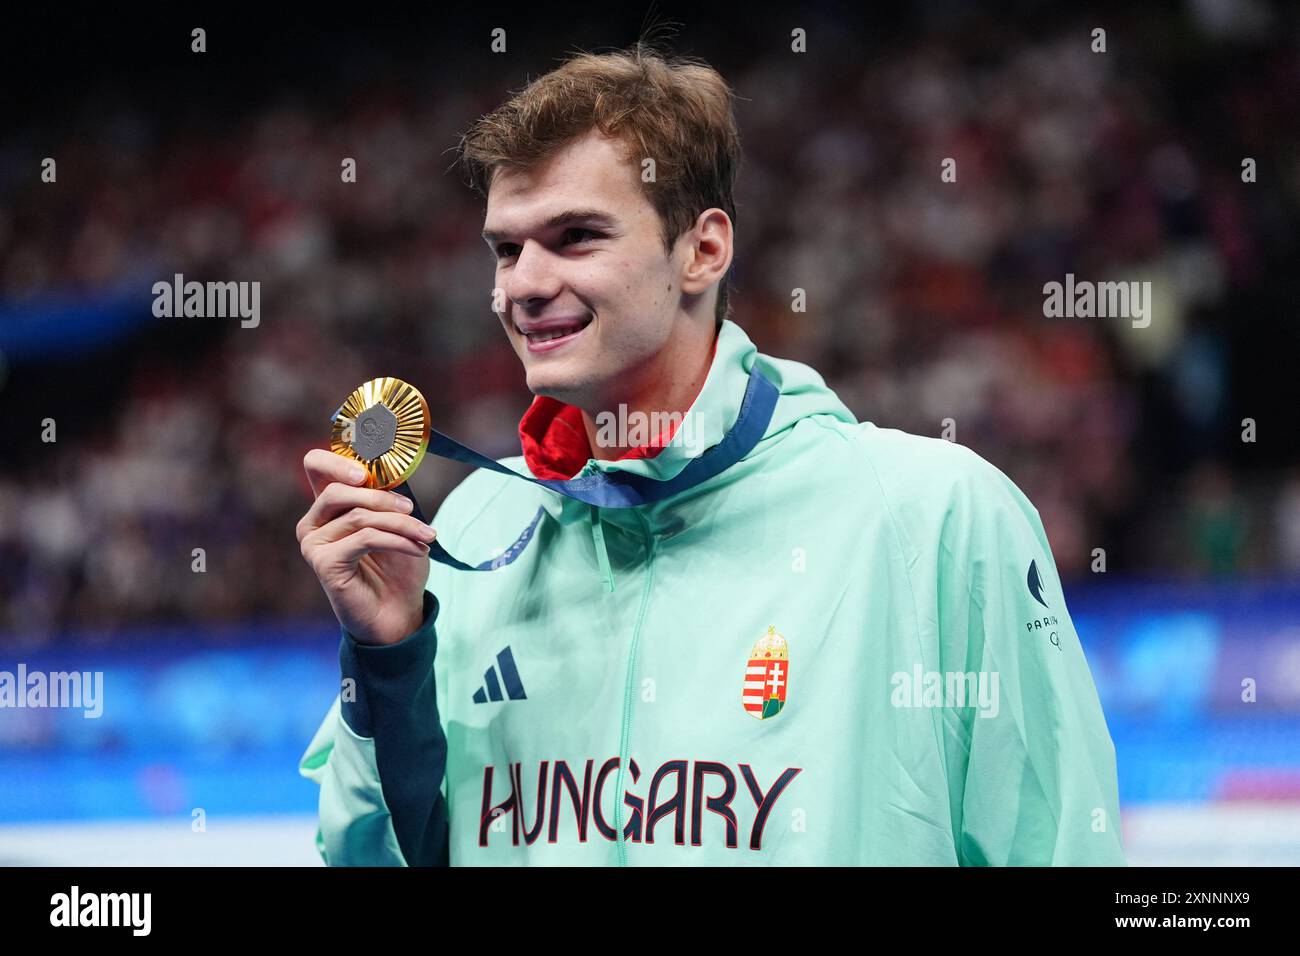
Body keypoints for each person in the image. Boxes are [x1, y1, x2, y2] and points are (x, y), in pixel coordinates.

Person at [295, 42, 1125, 866]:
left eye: (576, 236)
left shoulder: (931, 517)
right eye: (507, 250)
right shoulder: (474, 526)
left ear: (703, 250)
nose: (523, 286)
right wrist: (389, 658)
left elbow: (1056, 844)